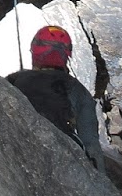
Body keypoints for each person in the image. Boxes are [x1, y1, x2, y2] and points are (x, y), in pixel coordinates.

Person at [7, 25, 106, 175]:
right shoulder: (77, 90)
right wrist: (101, 181)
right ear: (66, 55)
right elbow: (91, 144)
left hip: (13, 149)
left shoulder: (12, 81)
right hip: (63, 159)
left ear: (35, 51)